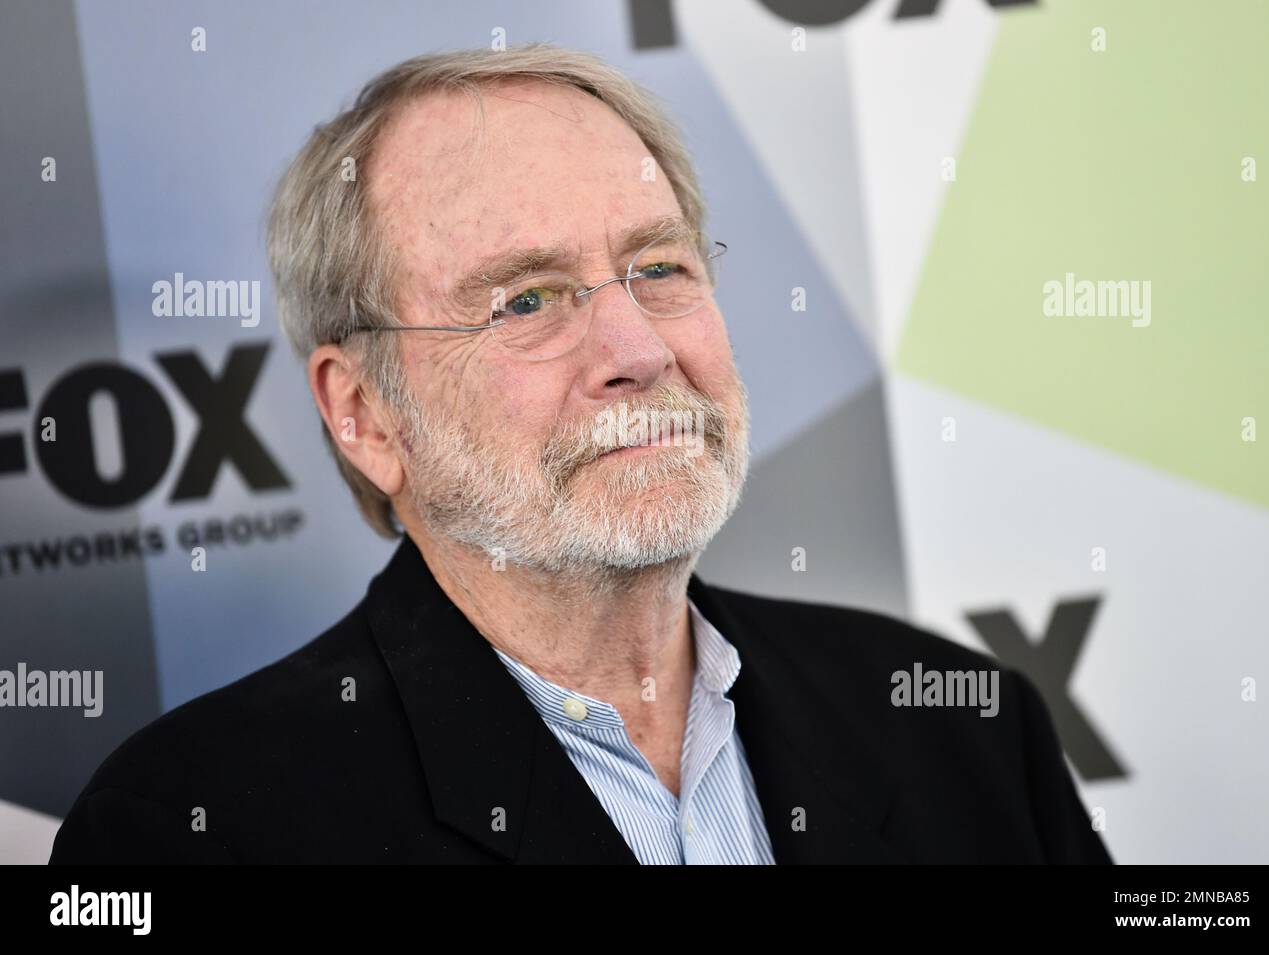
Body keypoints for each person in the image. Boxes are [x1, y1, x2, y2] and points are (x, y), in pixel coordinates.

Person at [49, 42, 1111, 864]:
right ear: (365, 413)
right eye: (526, 299)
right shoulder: (188, 828)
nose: (640, 352)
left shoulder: (956, 722)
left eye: (659, 267)